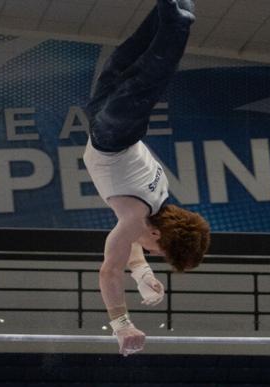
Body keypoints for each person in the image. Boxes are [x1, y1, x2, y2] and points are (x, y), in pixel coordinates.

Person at [87, 0, 212, 356]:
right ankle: (181, 21)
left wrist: (142, 274)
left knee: (136, 49)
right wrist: (121, 324)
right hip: (114, 132)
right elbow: (108, 272)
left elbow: (134, 242)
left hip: (103, 120)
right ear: (157, 234)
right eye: (157, 250)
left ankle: (167, 9)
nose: (149, 251)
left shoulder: (157, 204)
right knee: (154, 74)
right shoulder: (135, 217)